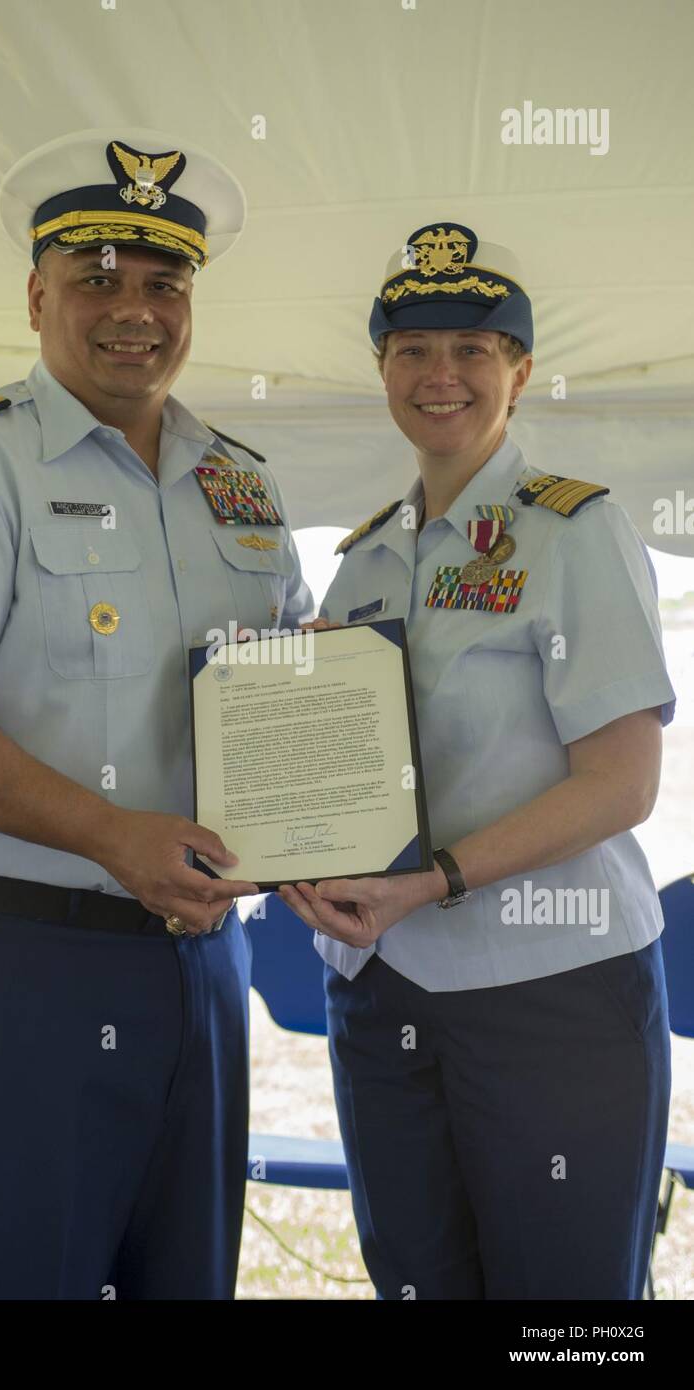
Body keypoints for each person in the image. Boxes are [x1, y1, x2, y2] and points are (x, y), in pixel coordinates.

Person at [0, 127, 312, 1300]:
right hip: (22, 968)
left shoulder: (237, 481)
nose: (131, 309)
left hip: (203, 965)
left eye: (162, 282)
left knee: (185, 1283)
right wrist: (111, 837)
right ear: (37, 293)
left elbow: (298, 682)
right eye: (97, 278)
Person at [279, 221, 677, 1300]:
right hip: (382, 987)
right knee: (415, 1280)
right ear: (383, 371)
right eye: (412, 349)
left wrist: (433, 878)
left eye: (471, 348)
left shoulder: (572, 533)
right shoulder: (360, 563)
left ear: (520, 371)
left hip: (550, 994)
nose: (439, 374)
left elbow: (622, 783)